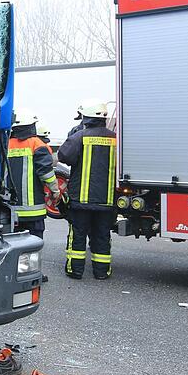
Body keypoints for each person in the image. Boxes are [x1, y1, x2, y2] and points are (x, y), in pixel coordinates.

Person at [57, 100, 117, 279]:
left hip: (81, 200)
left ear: (86, 117)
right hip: (106, 199)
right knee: (102, 236)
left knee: (78, 235)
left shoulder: (79, 137)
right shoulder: (115, 138)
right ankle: (101, 272)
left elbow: (63, 156)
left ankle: (75, 271)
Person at [7, 109, 58, 239]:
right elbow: (46, 172)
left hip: (9, 209)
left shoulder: (5, 144)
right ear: (31, 126)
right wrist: (55, 190)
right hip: (33, 210)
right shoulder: (37, 144)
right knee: (33, 246)